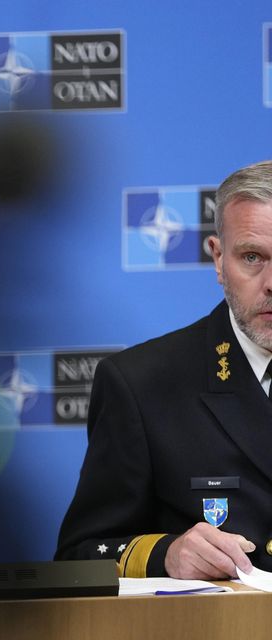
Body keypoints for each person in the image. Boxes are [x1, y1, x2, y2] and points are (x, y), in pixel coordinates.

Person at [54, 160, 272, 579]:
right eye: (251, 257)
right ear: (218, 260)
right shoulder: (141, 384)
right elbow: (78, 554)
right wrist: (167, 554)